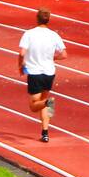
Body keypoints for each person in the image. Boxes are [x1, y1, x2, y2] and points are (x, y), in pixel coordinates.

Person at [18, 9, 66, 143]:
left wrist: (20, 66)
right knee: (44, 103)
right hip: (49, 72)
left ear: (36, 18)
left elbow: (22, 53)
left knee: (34, 106)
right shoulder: (53, 35)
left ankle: (48, 103)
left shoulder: (29, 34)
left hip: (34, 72)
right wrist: (52, 59)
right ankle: (45, 132)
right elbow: (64, 54)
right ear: (48, 19)